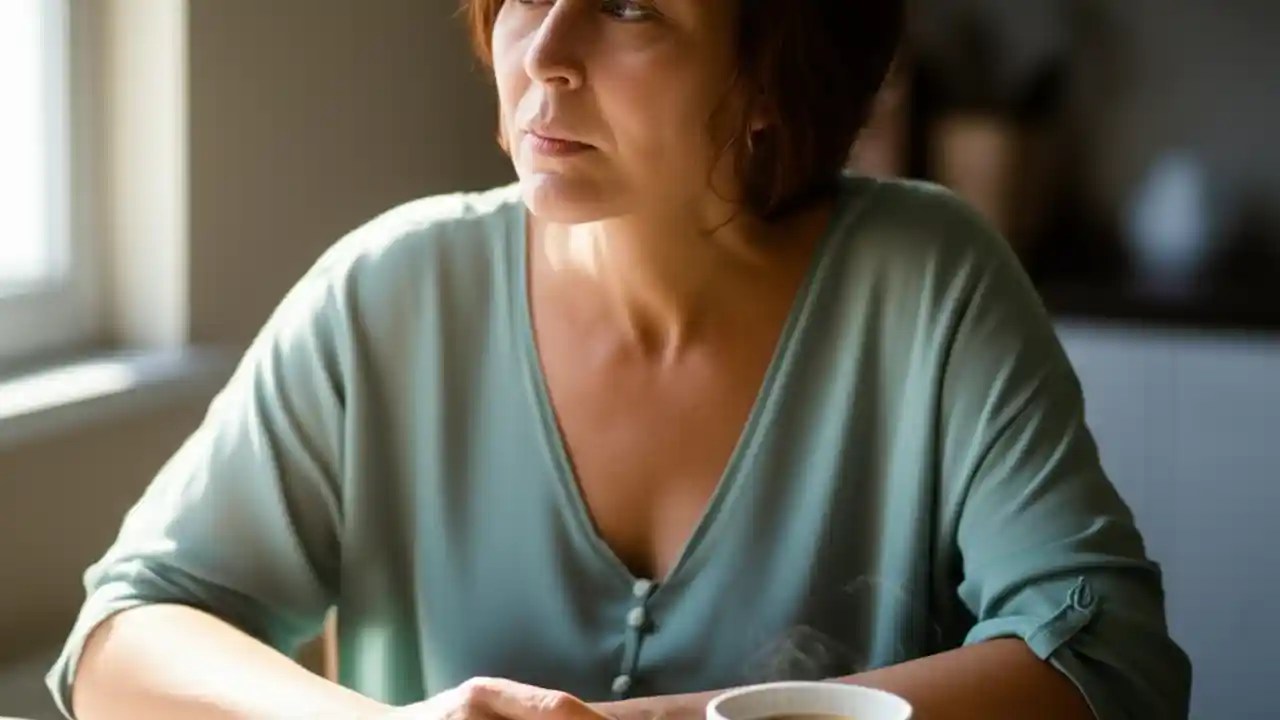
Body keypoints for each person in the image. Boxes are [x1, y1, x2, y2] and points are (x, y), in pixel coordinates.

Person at [50, 1, 1191, 719]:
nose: (543, 52)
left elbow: (1109, 663)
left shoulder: (928, 282)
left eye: (630, 6)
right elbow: (121, 639)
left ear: (770, 69)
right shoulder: (388, 293)